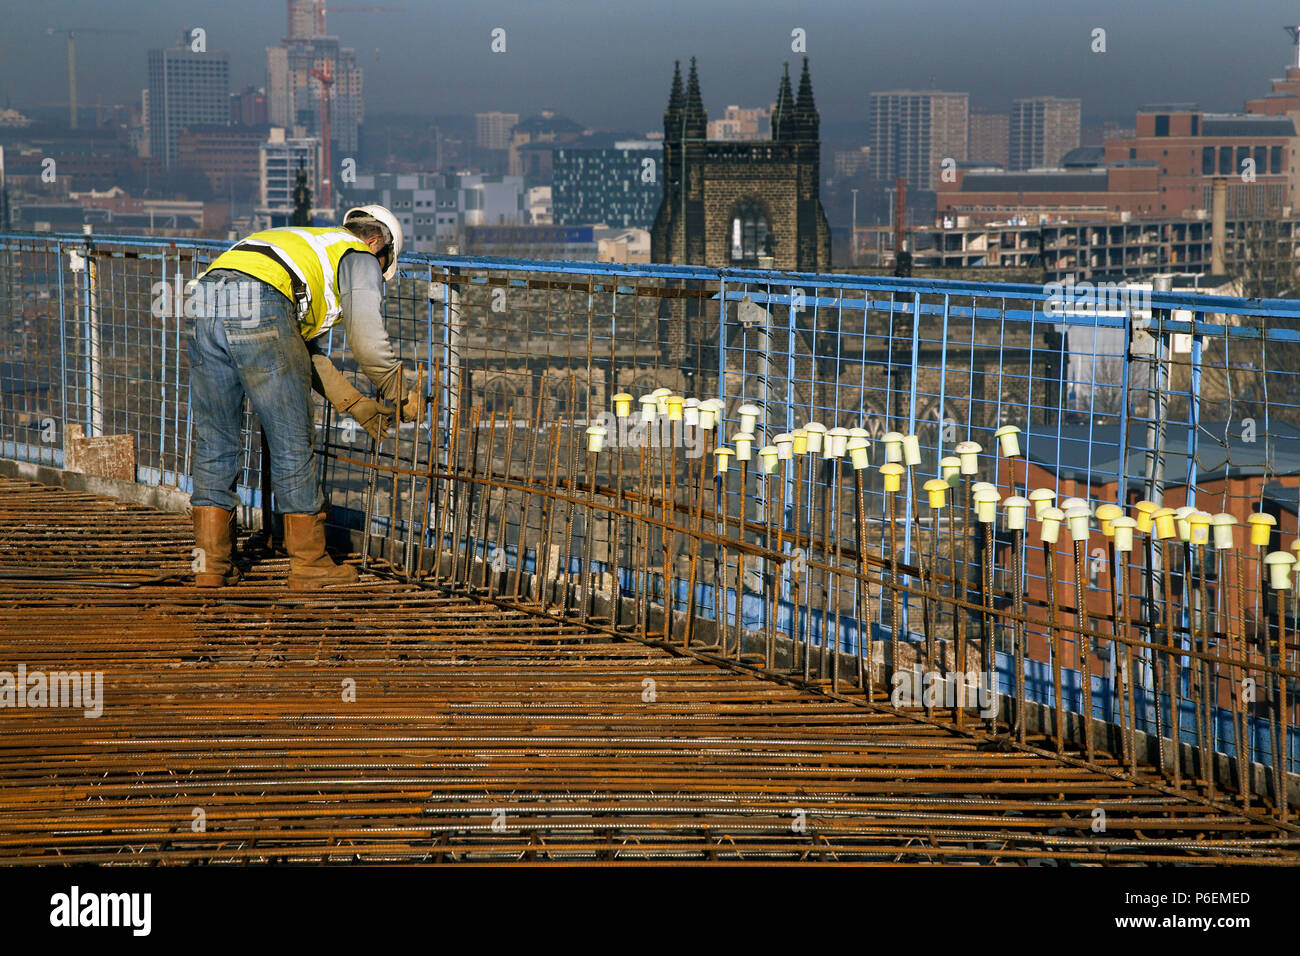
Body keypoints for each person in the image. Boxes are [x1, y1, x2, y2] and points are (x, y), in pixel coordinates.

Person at [186, 205, 418, 590]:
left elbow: (299, 352)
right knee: (292, 440)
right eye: (382, 267)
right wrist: (398, 392)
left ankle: (211, 566)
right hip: (262, 302)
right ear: (376, 243)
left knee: (216, 441)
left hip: (206, 300)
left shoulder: (306, 246)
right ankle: (310, 564)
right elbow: (366, 340)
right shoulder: (357, 254)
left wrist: (357, 405)